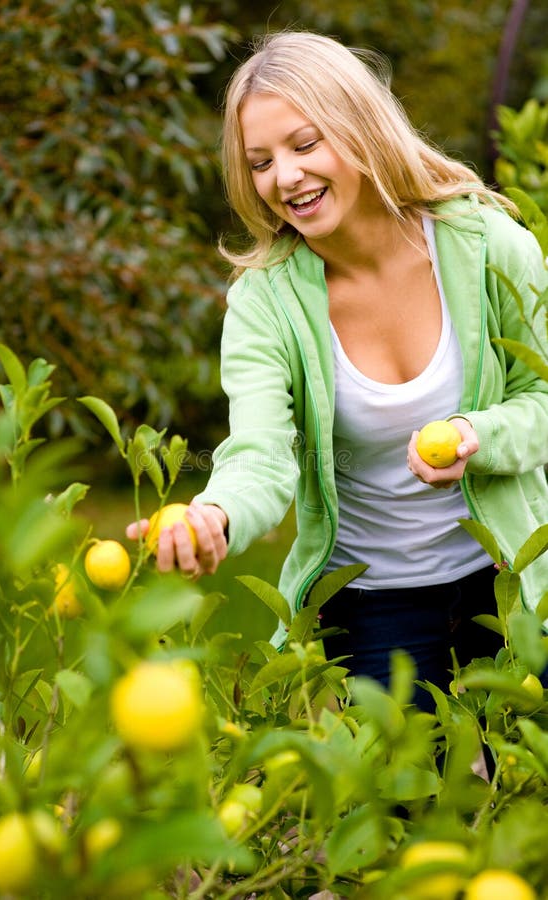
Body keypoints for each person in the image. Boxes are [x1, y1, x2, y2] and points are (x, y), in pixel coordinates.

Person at [128, 30, 548, 711]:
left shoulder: (488, 247)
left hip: (511, 573)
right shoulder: (265, 303)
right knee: (409, 803)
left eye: (303, 144)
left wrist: (478, 436)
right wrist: (214, 516)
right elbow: (260, 457)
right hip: (373, 607)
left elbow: (541, 399)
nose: (283, 178)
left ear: (360, 129)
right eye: (259, 161)